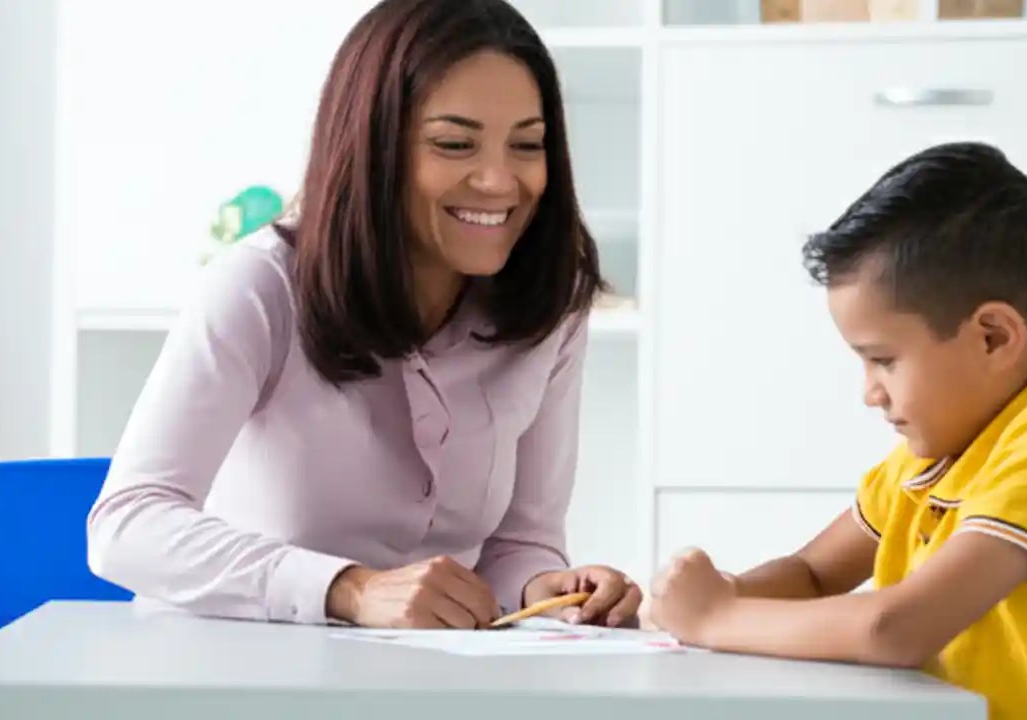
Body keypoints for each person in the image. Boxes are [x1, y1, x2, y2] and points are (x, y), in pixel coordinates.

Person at [87, 0, 642, 631]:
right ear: (373, 147)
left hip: (426, 670)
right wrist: (349, 589)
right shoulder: (261, 287)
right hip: (231, 661)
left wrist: (553, 588)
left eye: (527, 145)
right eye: (454, 144)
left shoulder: (551, 302)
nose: (498, 180)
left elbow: (520, 544)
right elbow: (127, 524)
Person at [649, 143, 1027, 719]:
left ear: (993, 337)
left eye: (884, 361)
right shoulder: (937, 455)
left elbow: (897, 629)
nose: (870, 393)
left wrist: (718, 617)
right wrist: (702, 600)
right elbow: (814, 574)